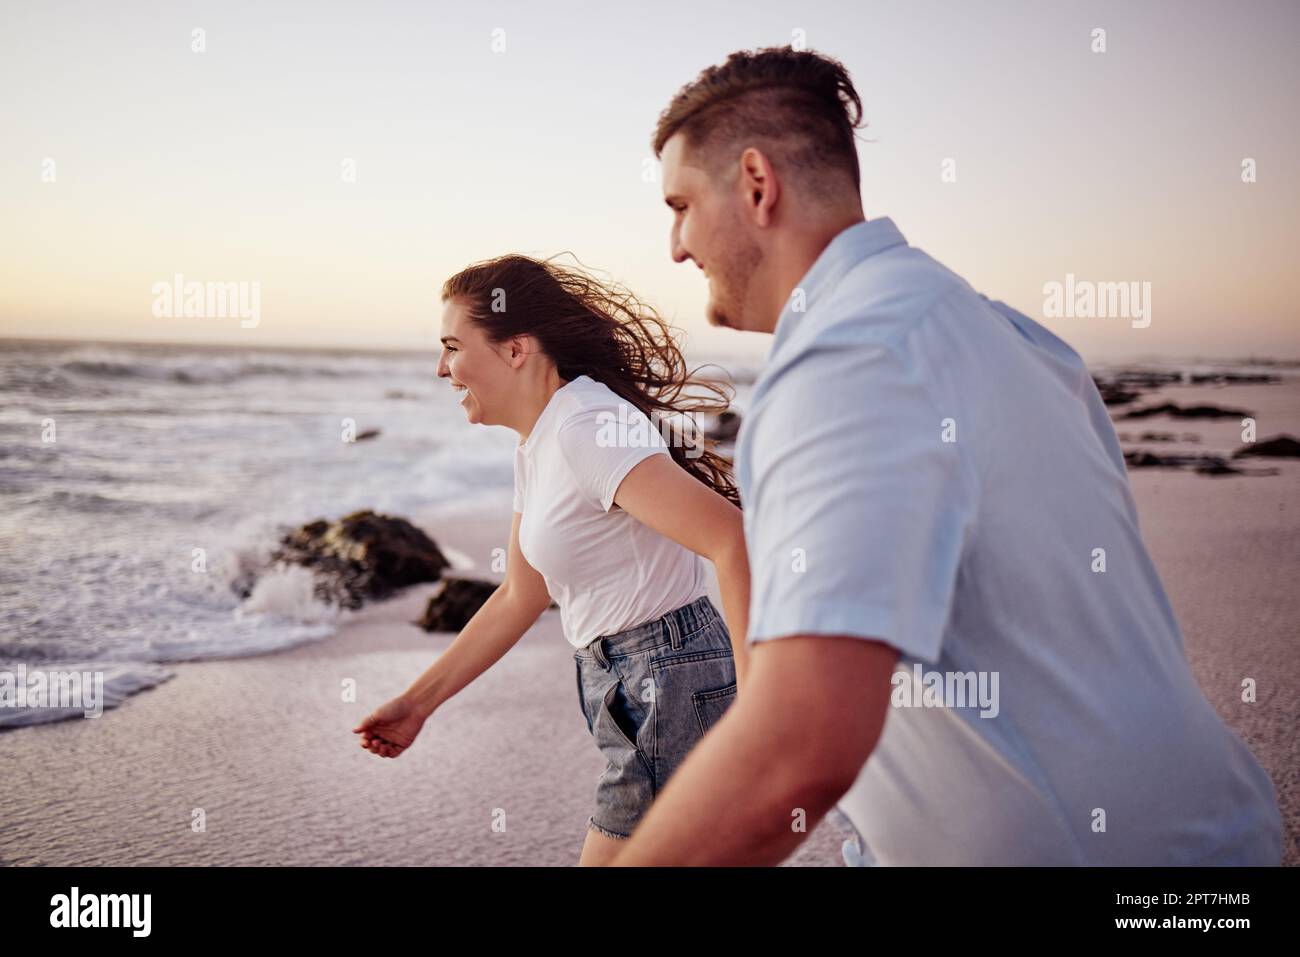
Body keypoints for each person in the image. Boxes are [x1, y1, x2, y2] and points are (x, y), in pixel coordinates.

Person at [607, 46, 1284, 866]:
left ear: (756, 183)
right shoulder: (1010, 335)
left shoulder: (850, 355)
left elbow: (802, 745)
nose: (676, 246)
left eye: (680, 205)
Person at [352, 253, 750, 865]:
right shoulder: (540, 441)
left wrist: (761, 701)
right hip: (635, 681)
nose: (440, 369)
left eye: (453, 346)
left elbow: (730, 540)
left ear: (515, 349)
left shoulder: (584, 427)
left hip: (667, 680)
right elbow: (521, 594)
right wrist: (417, 704)